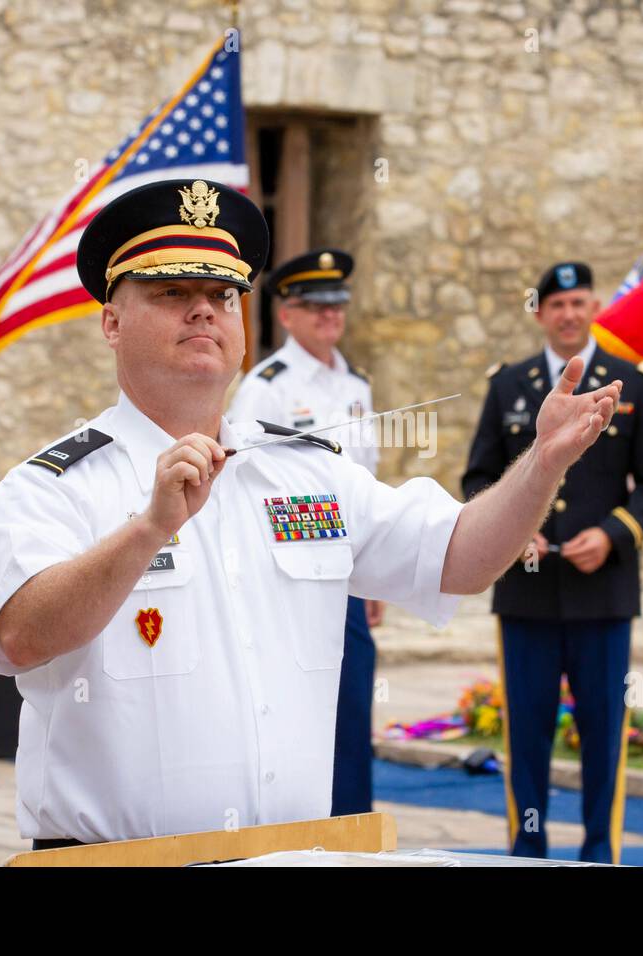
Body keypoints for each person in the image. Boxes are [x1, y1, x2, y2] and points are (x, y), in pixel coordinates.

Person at [0, 182, 624, 849]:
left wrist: (542, 464)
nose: (203, 311)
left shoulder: (304, 470)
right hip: (117, 867)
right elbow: (22, 636)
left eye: (223, 296)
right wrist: (148, 530)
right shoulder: (54, 486)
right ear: (112, 322)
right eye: (172, 292)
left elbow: (460, 557)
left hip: (289, 856)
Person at [461, 261, 643, 864]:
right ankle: (527, 849)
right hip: (527, 592)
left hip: (602, 591)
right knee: (525, 733)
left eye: (579, 303)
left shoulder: (633, 385)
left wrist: (615, 533)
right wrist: (512, 530)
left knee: (603, 733)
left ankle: (598, 851)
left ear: (594, 310)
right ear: (540, 313)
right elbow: (478, 475)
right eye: (556, 305)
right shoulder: (509, 385)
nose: (568, 315)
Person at [228, 248, 382, 818]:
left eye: (336, 305)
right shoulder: (265, 386)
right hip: (287, 571)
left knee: (351, 702)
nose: (329, 316)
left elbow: (366, 481)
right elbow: (246, 481)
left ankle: (353, 828)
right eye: (315, 306)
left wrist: (376, 577)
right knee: (295, 702)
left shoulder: (355, 384)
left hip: (342, 568)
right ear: (286, 314)